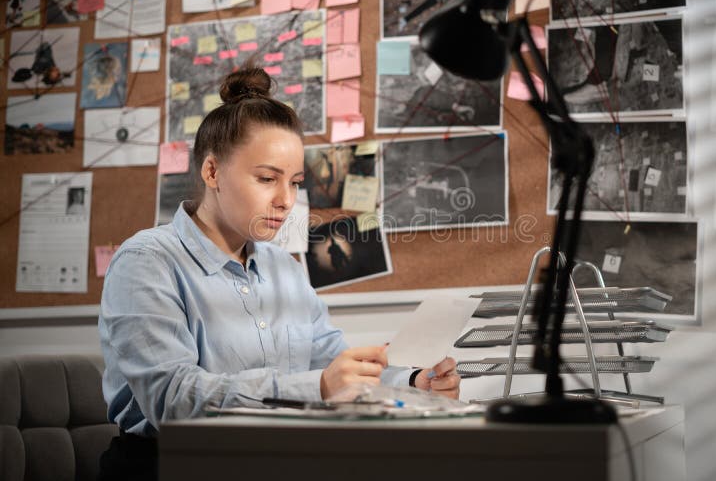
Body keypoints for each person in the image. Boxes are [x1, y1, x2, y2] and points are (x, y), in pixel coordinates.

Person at [97, 67, 460, 481]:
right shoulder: (147, 262)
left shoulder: (282, 267)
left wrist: (413, 383)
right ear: (212, 172)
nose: (286, 200)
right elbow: (172, 401)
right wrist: (319, 388)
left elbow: (332, 362)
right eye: (267, 178)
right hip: (168, 466)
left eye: (295, 182)